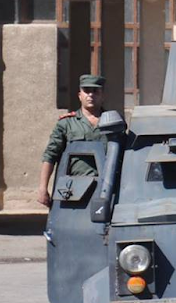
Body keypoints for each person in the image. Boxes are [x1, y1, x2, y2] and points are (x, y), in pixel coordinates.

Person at [36, 75, 117, 207]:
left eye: (95, 91)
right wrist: (42, 188)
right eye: (87, 91)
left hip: (107, 188)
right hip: (75, 188)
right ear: (80, 95)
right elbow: (50, 155)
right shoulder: (67, 123)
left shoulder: (113, 123)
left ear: (103, 96)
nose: (91, 95)